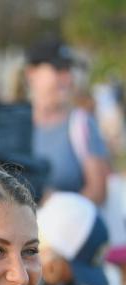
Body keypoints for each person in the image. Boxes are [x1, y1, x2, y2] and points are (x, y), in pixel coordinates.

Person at [25, 36, 110, 205]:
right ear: (31, 73)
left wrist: (57, 208)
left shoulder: (81, 124)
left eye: (69, 70)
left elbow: (98, 191)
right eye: (58, 70)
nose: (67, 78)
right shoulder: (14, 126)